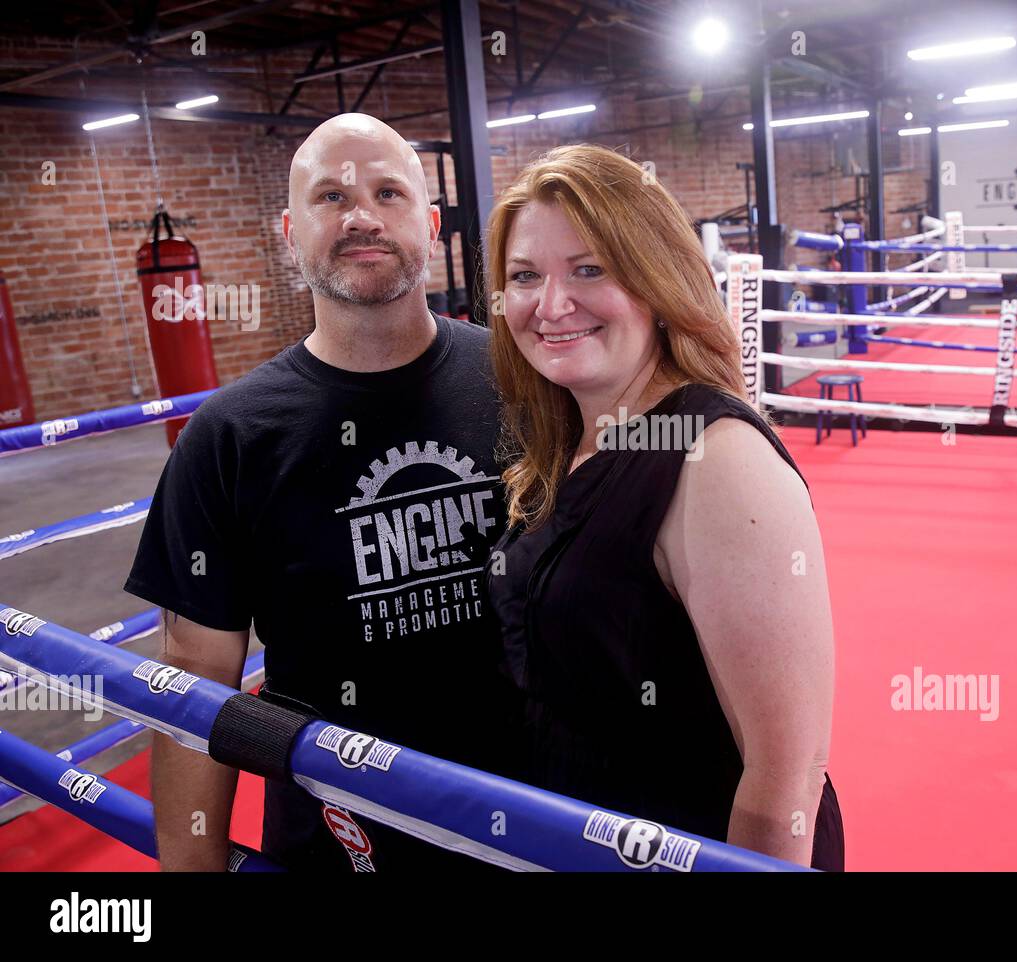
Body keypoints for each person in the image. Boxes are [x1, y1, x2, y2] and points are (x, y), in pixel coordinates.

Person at [125, 113, 518, 872]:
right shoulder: (228, 438)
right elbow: (194, 684)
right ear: (289, 230)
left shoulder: (524, 383)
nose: (362, 216)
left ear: (430, 225)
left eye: (388, 192)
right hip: (339, 839)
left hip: (531, 818)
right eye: (331, 196)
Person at [485, 144, 844, 870]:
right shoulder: (570, 441)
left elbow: (787, 776)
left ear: (656, 281)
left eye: (590, 270)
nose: (551, 305)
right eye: (525, 276)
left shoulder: (717, 459)